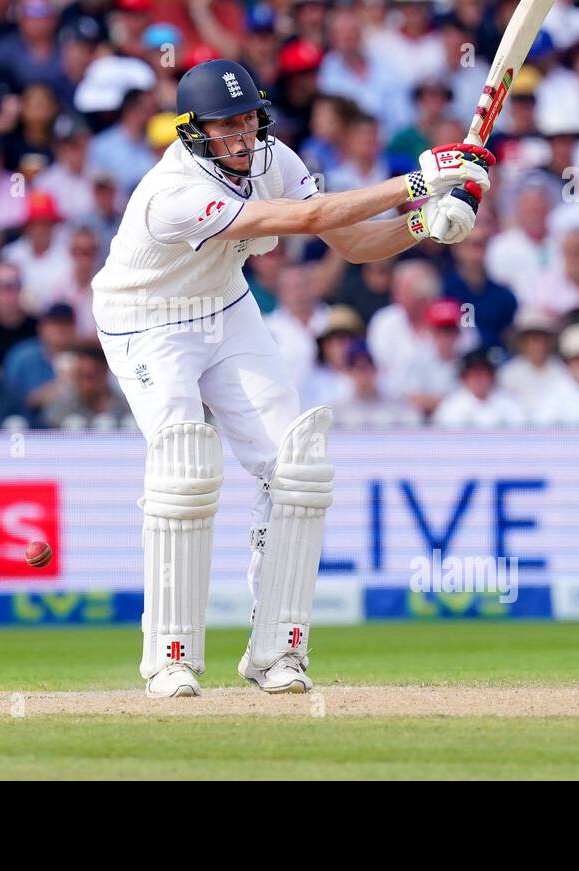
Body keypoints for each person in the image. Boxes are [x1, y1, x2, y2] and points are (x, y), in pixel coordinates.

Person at [90, 59, 493, 697]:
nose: (242, 138)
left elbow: (353, 243)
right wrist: (419, 182)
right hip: (148, 323)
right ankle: (170, 658)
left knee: (296, 468)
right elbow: (303, 221)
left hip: (226, 304)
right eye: (225, 127)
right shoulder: (176, 193)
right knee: (184, 469)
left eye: (248, 119)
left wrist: (423, 224)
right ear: (192, 132)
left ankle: (277, 650)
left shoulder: (273, 157)